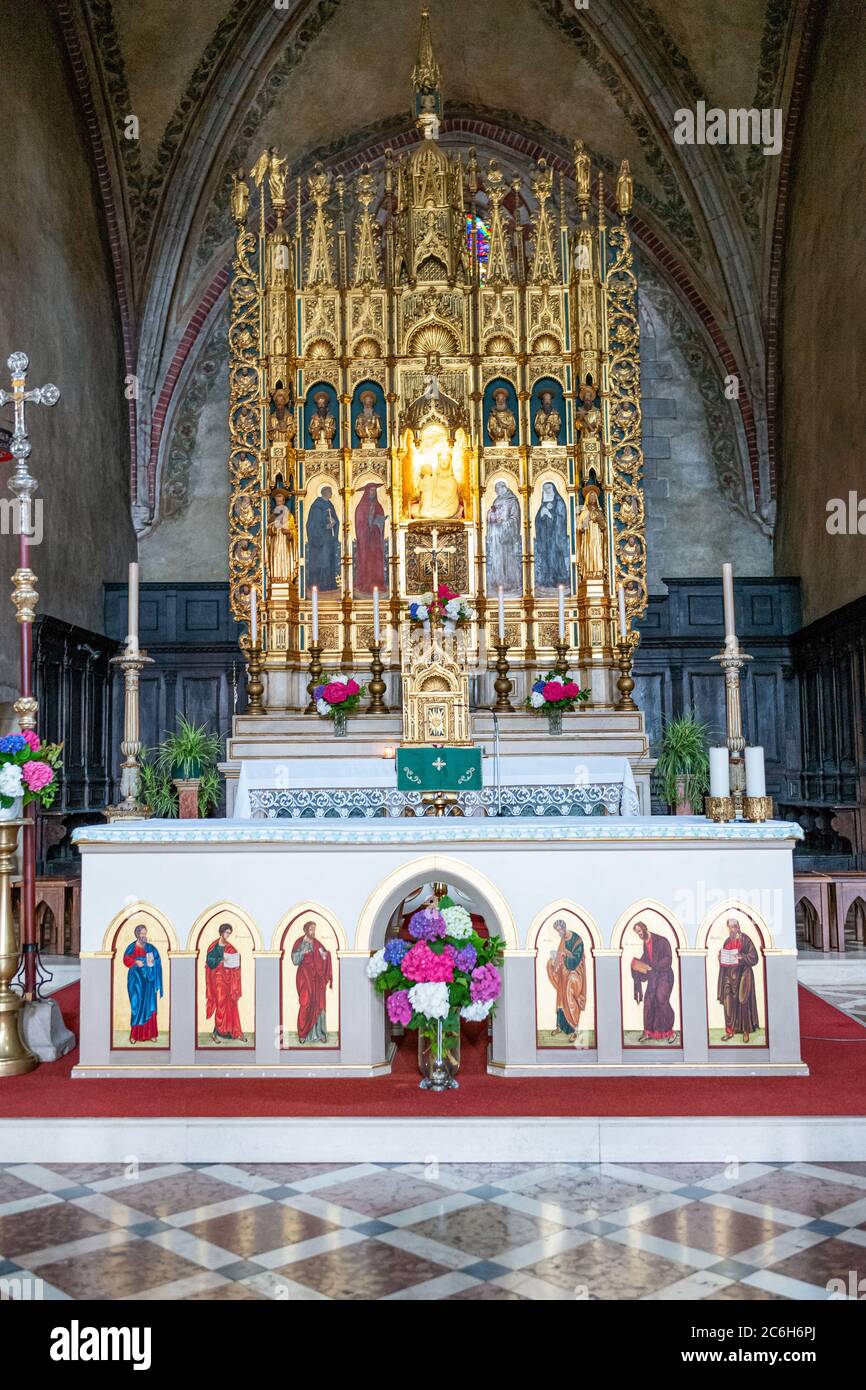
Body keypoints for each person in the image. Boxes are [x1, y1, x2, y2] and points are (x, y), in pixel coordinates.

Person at [630, 921, 677, 1044]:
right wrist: (637, 965)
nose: (639, 934)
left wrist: (654, 966)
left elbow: (668, 959)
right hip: (653, 976)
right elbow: (647, 958)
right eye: (637, 933)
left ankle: (670, 1032)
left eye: (640, 931)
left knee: (661, 999)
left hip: (665, 975)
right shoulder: (645, 943)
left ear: (645, 928)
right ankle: (648, 1032)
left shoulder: (662, 941)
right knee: (648, 1001)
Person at [717, 916, 760, 1043]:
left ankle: (746, 1031)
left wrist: (742, 956)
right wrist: (721, 958)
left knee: (743, 1001)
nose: (732, 929)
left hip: (743, 974)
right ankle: (730, 1031)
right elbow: (725, 959)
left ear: (738, 927)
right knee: (728, 1003)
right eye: (730, 927)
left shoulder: (745, 939)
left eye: (734, 927)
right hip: (728, 975)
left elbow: (754, 957)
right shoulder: (727, 941)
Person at [291, 921, 333, 1045]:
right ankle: (303, 1034)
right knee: (305, 1003)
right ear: (306, 930)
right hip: (304, 977)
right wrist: (302, 952)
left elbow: (324, 956)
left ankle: (320, 1034)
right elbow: (294, 960)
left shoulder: (317, 944)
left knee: (319, 1004)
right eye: (311, 929)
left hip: (317, 978)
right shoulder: (299, 943)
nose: (313, 932)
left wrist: (326, 956)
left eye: (314, 929)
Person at [122, 924, 163, 1044]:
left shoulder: (151, 948)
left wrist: (152, 963)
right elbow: (125, 959)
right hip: (136, 981)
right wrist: (136, 962)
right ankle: (134, 1035)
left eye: (145, 933)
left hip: (148, 981)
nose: (144, 936)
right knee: (137, 1006)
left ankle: (151, 1034)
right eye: (142, 934)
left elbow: (157, 960)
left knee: (150, 1006)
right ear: (137, 935)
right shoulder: (131, 947)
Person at [205, 923, 245, 1043]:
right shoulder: (214, 946)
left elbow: (235, 964)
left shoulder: (230, 948)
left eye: (229, 933)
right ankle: (216, 1033)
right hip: (218, 979)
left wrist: (237, 960)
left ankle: (232, 1031)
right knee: (221, 1004)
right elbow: (209, 961)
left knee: (231, 1004)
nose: (228, 935)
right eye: (227, 932)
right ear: (222, 932)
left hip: (229, 980)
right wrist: (220, 960)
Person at [547, 920, 586, 1038]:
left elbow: (576, 960)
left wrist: (566, 955)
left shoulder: (577, 940)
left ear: (564, 928)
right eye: (557, 931)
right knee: (560, 996)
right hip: (564, 972)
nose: (559, 933)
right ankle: (560, 1026)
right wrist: (554, 961)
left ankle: (575, 1029)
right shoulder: (563, 940)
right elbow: (560, 955)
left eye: (560, 930)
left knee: (569, 994)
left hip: (575, 973)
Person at [485, 480, 522, 594]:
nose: (497, 492)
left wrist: (505, 522)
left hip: (507, 536)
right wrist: (491, 515)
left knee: (508, 558)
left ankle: (511, 583)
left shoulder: (512, 501)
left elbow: (515, 518)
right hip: (496, 535)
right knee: (497, 558)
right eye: (496, 490)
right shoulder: (496, 500)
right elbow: (492, 514)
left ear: (504, 488)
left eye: (498, 490)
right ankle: (499, 582)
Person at [534, 480, 570, 593]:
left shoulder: (559, 502)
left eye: (548, 488)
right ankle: (547, 580)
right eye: (544, 488)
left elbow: (561, 518)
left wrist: (550, 515)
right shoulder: (543, 504)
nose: (546, 490)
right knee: (546, 557)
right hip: (545, 537)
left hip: (555, 537)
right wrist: (541, 514)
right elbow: (537, 520)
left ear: (553, 489)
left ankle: (559, 580)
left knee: (555, 557)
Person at [305, 485, 341, 591]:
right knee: (322, 561)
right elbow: (313, 524)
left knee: (329, 560)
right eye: (329, 491)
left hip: (328, 540)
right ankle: (320, 585)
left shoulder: (330, 505)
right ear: (324, 492)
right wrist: (325, 526)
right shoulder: (317, 506)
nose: (331, 493)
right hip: (319, 542)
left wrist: (334, 522)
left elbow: (335, 520)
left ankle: (329, 584)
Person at [354, 482, 387, 594]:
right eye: (371, 491)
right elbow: (359, 524)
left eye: (374, 491)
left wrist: (379, 523)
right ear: (367, 492)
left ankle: (377, 583)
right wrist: (368, 523)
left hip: (375, 541)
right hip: (365, 541)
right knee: (366, 561)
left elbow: (381, 523)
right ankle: (365, 584)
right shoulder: (361, 507)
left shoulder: (378, 506)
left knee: (375, 561)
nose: (373, 493)